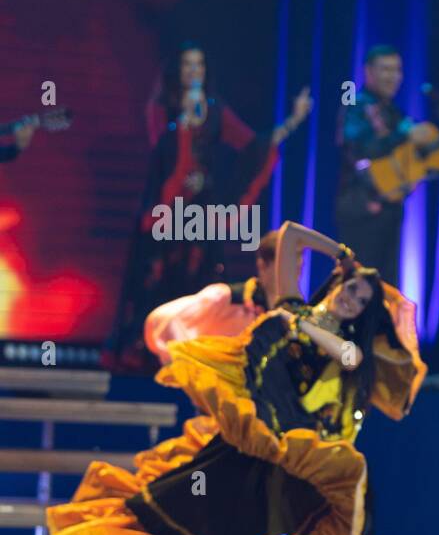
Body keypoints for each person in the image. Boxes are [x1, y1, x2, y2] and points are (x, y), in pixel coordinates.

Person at [48, 221, 426, 535]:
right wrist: (340, 252)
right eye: (352, 290)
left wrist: (299, 323)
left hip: (294, 457)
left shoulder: (337, 341)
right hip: (252, 443)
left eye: (363, 303)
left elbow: (349, 356)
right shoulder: (291, 305)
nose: (353, 302)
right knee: (178, 510)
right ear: (338, 284)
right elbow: (292, 233)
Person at [110, 42, 314, 372]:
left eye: (199, 65)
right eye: (188, 65)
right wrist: (184, 124)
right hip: (166, 215)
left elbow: (253, 146)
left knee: (199, 286)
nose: (194, 72)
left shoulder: (216, 111)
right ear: (178, 72)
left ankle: (190, 359)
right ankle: (149, 355)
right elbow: (163, 154)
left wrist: (293, 120)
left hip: (202, 219)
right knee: (156, 282)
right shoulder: (162, 108)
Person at [334, 44, 439, 283]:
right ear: (368, 72)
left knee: (386, 289)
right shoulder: (356, 105)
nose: (393, 76)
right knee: (356, 286)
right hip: (361, 208)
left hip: (390, 209)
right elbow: (357, 146)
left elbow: (418, 166)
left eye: (397, 70)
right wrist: (403, 135)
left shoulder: (396, 113)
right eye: (385, 69)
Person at [142, 231, 301, 364]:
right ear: (263, 265)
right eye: (286, 266)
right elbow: (163, 320)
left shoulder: (289, 317)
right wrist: (186, 368)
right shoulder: (226, 298)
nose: (294, 272)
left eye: (299, 265)